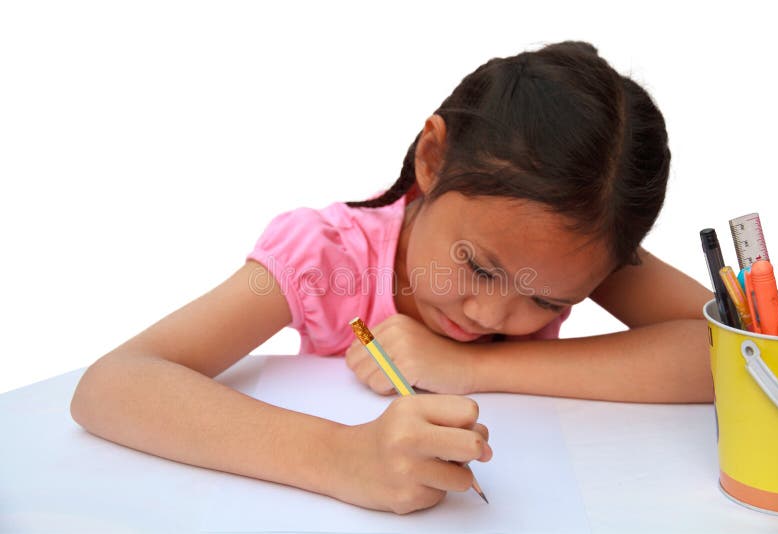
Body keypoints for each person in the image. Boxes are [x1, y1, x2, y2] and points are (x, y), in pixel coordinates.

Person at [70, 41, 713, 515]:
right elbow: (115, 384)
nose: (491, 317)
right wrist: (343, 457)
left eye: (547, 300)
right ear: (433, 159)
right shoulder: (321, 259)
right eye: (479, 268)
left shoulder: (572, 240)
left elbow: (731, 354)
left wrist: (471, 369)